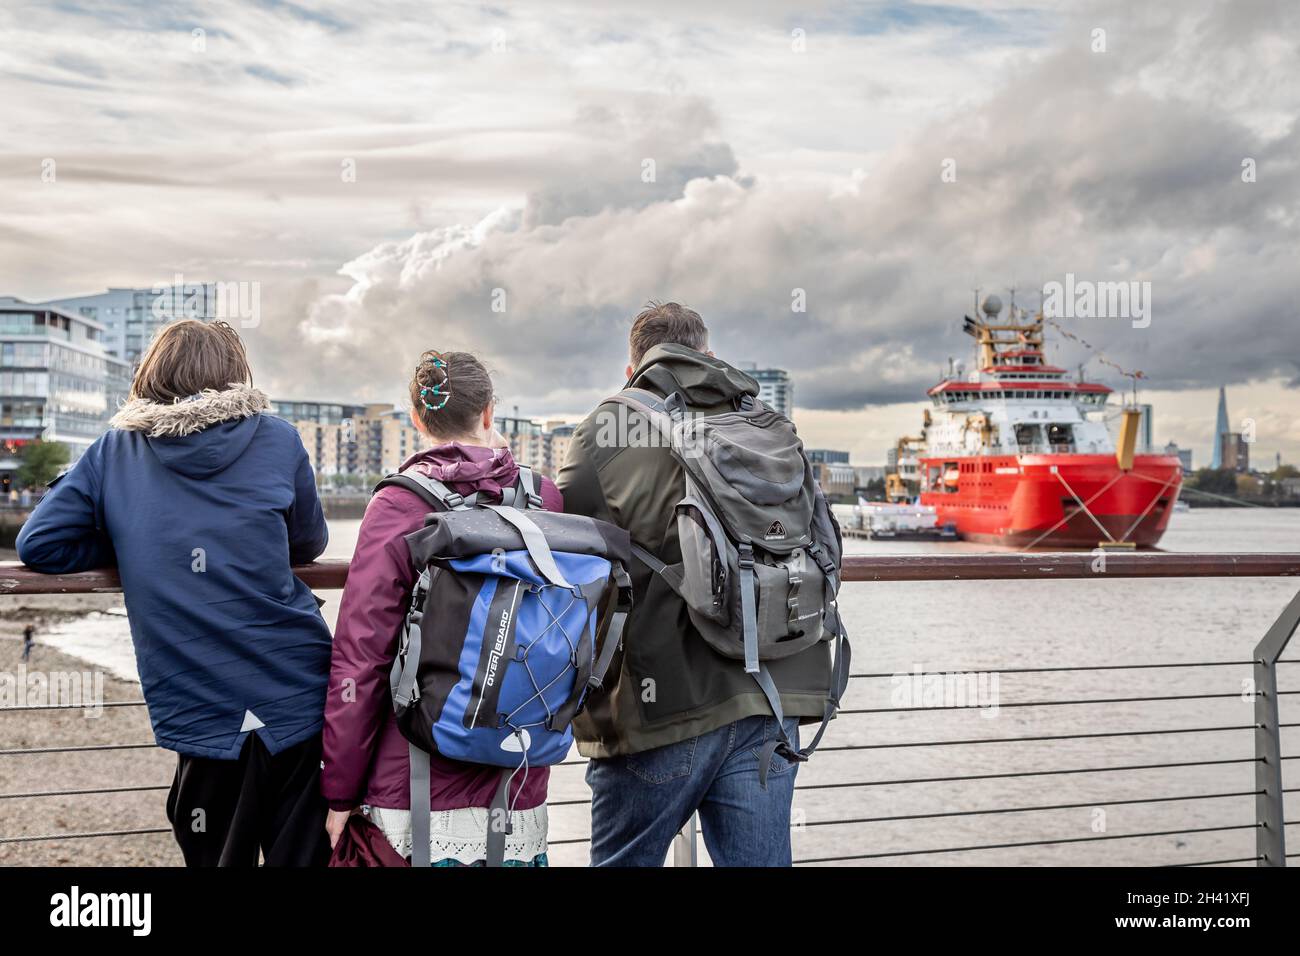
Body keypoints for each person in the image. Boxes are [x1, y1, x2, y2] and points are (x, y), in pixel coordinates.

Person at [17, 320, 333, 867]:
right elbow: (309, 540)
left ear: (150, 376)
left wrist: (136, 542)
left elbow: (41, 543)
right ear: (236, 375)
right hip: (295, 686)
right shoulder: (277, 437)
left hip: (198, 692)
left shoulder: (116, 450)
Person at [558, 302, 832, 866]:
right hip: (772, 697)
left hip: (661, 706)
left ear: (632, 365)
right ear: (707, 354)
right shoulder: (766, 422)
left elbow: (563, 546)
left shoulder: (608, 427)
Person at [321, 350, 563, 866]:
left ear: (417, 419)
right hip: (517, 781)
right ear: (489, 412)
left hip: (413, 785)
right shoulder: (544, 498)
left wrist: (340, 790)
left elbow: (362, 657)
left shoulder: (399, 505)